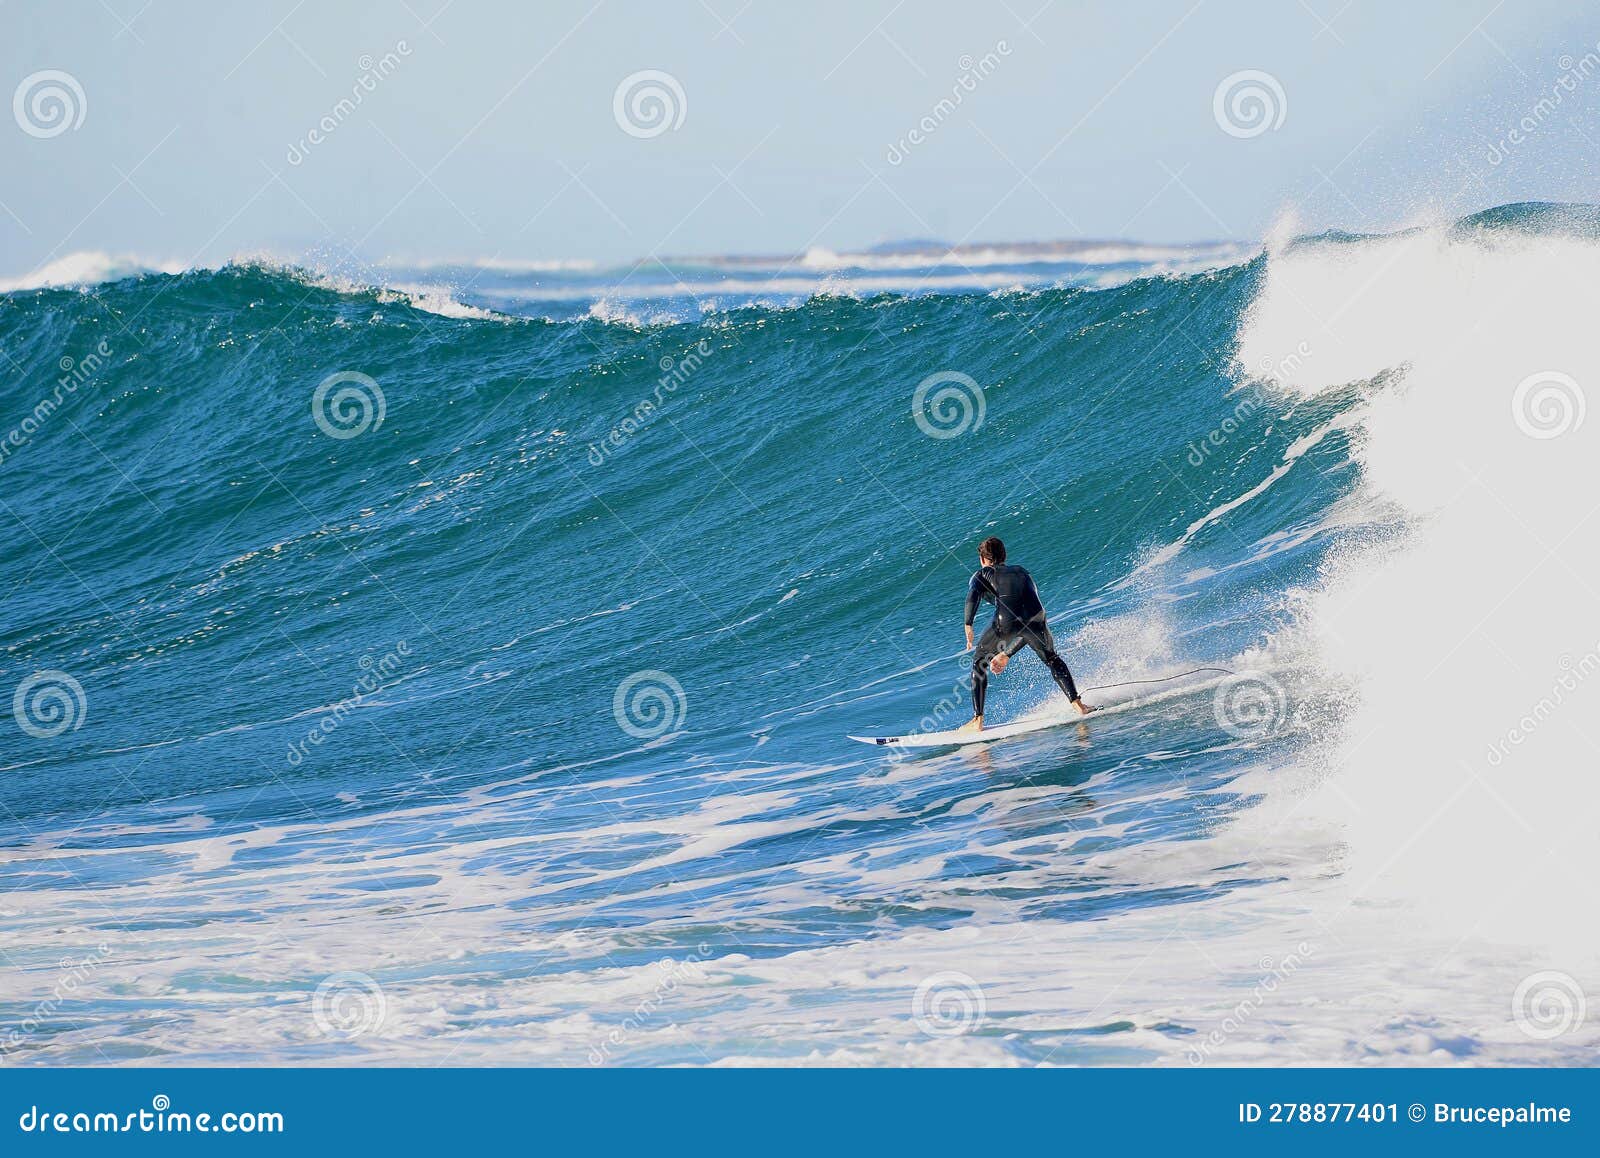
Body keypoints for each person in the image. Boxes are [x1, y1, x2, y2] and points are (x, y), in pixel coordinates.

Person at [960, 536, 1091, 731]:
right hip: (1037, 617)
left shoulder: (981, 574)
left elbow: (973, 595)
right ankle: (1078, 705)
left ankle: (977, 720)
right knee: (1052, 659)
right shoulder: (1022, 572)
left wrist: (968, 624)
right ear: (1005, 555)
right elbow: (1026, 624)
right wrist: (1005, 654)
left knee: (980, 662)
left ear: (983, 560)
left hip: (1006, 620)